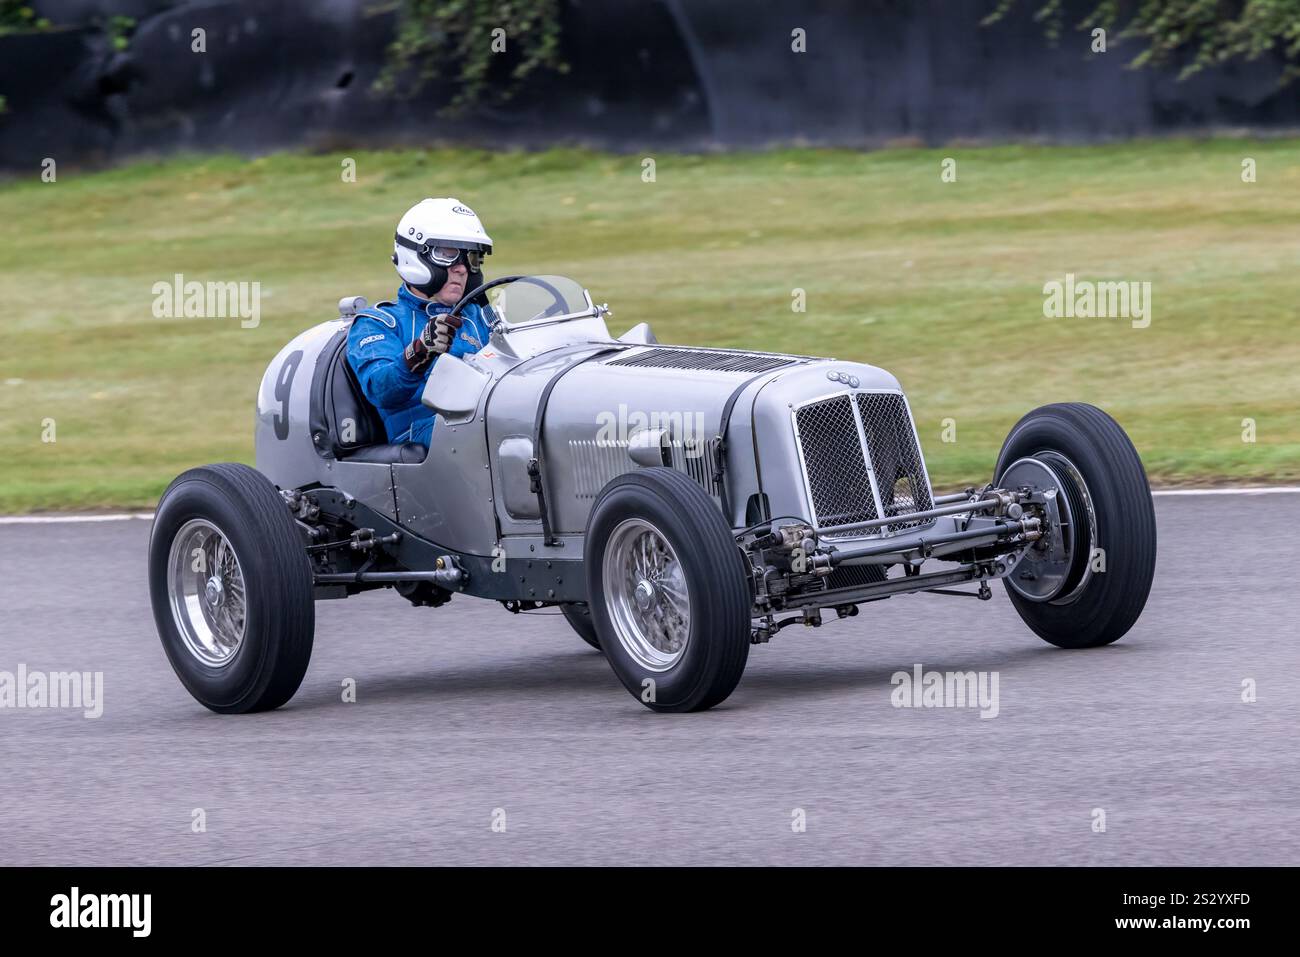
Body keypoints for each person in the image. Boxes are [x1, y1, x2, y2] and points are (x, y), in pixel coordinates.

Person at [346, 197, 496, 447]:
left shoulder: (482, 317)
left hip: (489, 420)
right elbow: (381, 390)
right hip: (421, 438)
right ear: (415, 255)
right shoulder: (378, 322)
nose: (462, 269)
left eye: (470, 258)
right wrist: (419, 352)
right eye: (449, 254)